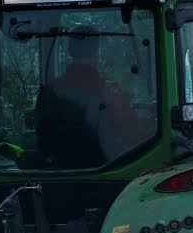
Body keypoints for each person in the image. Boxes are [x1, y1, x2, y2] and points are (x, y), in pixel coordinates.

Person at [37, 29, 146, 165]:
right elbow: (136, 138)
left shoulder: (48, 92)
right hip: (108, 170)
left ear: (69, 50)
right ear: (96, 50)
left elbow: (41, 141)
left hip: (56, 171)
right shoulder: (111, 93)